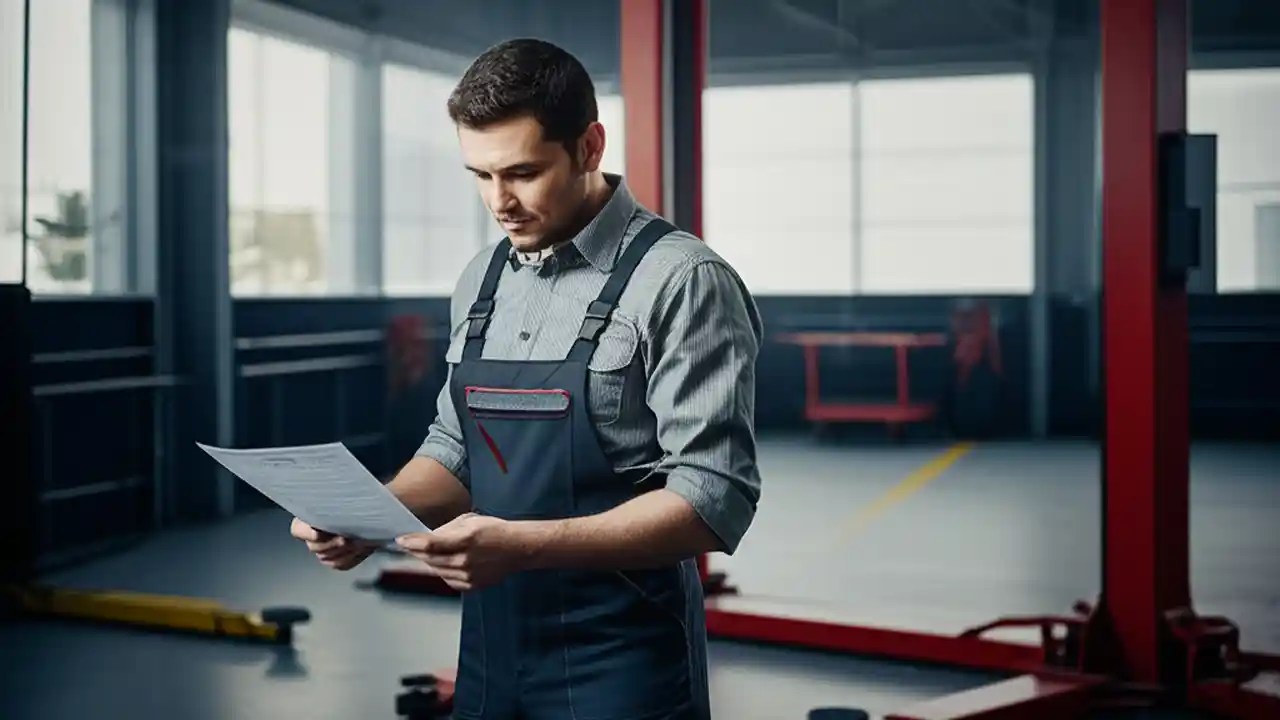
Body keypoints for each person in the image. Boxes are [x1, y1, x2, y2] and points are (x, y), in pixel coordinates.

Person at [291, 37, 763, 720]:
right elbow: (455, 449)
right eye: (480, 175)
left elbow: (714, 495)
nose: (499, 201)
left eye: (521, 172)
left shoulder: (683, 282)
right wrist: (370, 516)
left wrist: (524, 546)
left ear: (589, 147)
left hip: (622, 660)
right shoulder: (482, 278)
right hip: (491, 654)